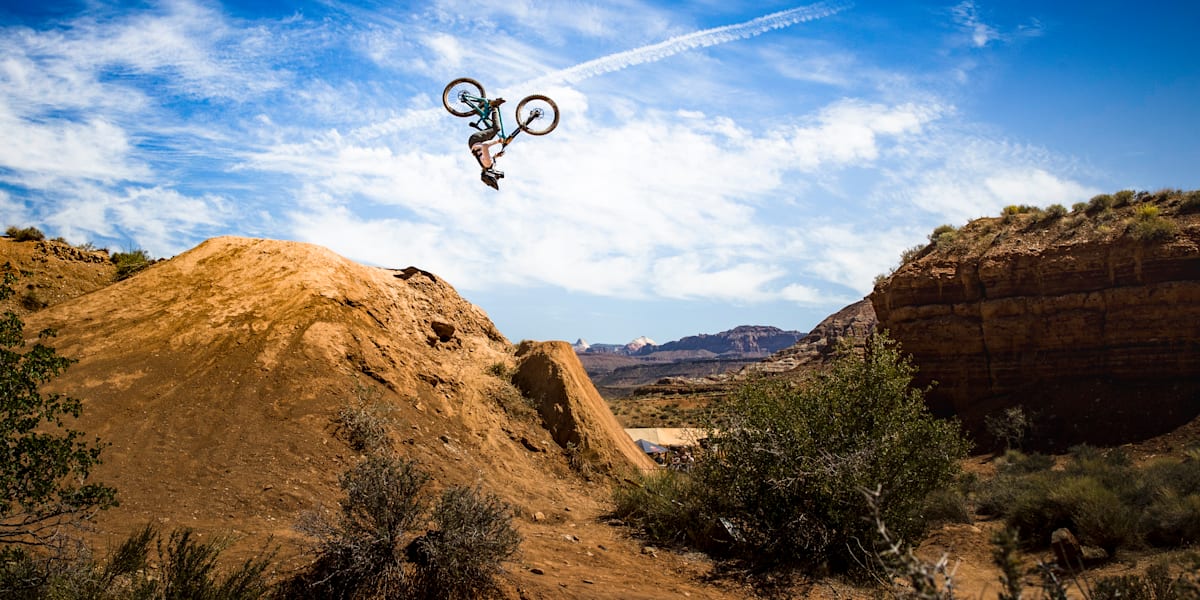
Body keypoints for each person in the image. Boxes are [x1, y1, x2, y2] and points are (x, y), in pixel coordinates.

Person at [468, 97, 507, 190]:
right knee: (492, 128)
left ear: (490, 175)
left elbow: (485, 146)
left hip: (476, 140)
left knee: (496, 129)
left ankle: (494, 106)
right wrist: (497, 156)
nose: (497, 175)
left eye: (496, 177)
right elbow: (488, 156)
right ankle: (480, 110)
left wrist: (498, 141)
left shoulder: (487, 164)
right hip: (474, 142)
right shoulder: (489, 164)